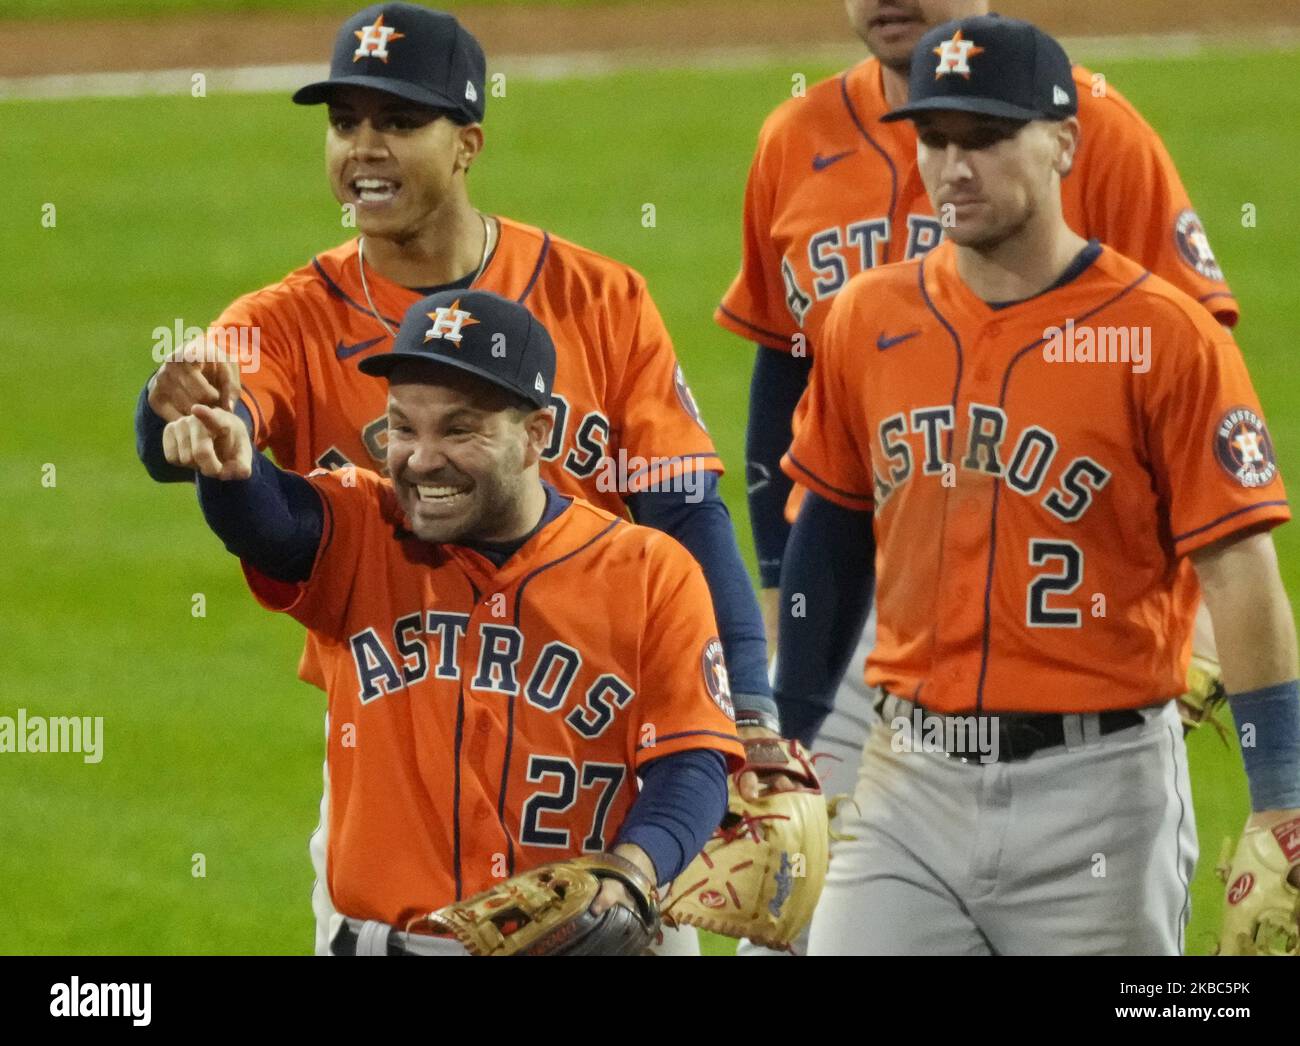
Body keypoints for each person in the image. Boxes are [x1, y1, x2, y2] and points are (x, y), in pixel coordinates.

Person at [135, 3, 773, 954]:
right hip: (404, 715)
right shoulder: (288, 319)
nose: (363, 148)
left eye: (396, 121)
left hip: (602, 727)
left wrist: (747, 712)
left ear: (467, 141)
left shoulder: (600, 298)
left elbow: (685, 507)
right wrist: (177, 408)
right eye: (344, 122)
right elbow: (213, 462)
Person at [777, 13, 1297, 955]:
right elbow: (834, 531)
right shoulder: (866, 318)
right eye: (933, 140)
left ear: (1063, 143)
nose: (952, 168)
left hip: (1099, 795)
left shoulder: (1164, 336)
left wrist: (1284, 799)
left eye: (984, 139)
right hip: (907, 786)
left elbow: (1240, 571)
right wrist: (790, 744)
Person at [716, 0, 1238, 825]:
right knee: (788, 894)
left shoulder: (1094, 129)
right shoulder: (795, 134)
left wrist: (1192, 599)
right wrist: (787, 587)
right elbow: (785, 365)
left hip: (1051, 617)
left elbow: (1191, 380)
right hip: (852, 596)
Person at [161, 289, 745, 955]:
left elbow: (692, 758)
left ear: (537, 434)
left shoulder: (647, 571)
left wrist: (632, 875)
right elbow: (272, 525)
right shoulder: (362, 528)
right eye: (403, 428)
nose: (422, 458)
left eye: (459, 429)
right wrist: (230, 471)